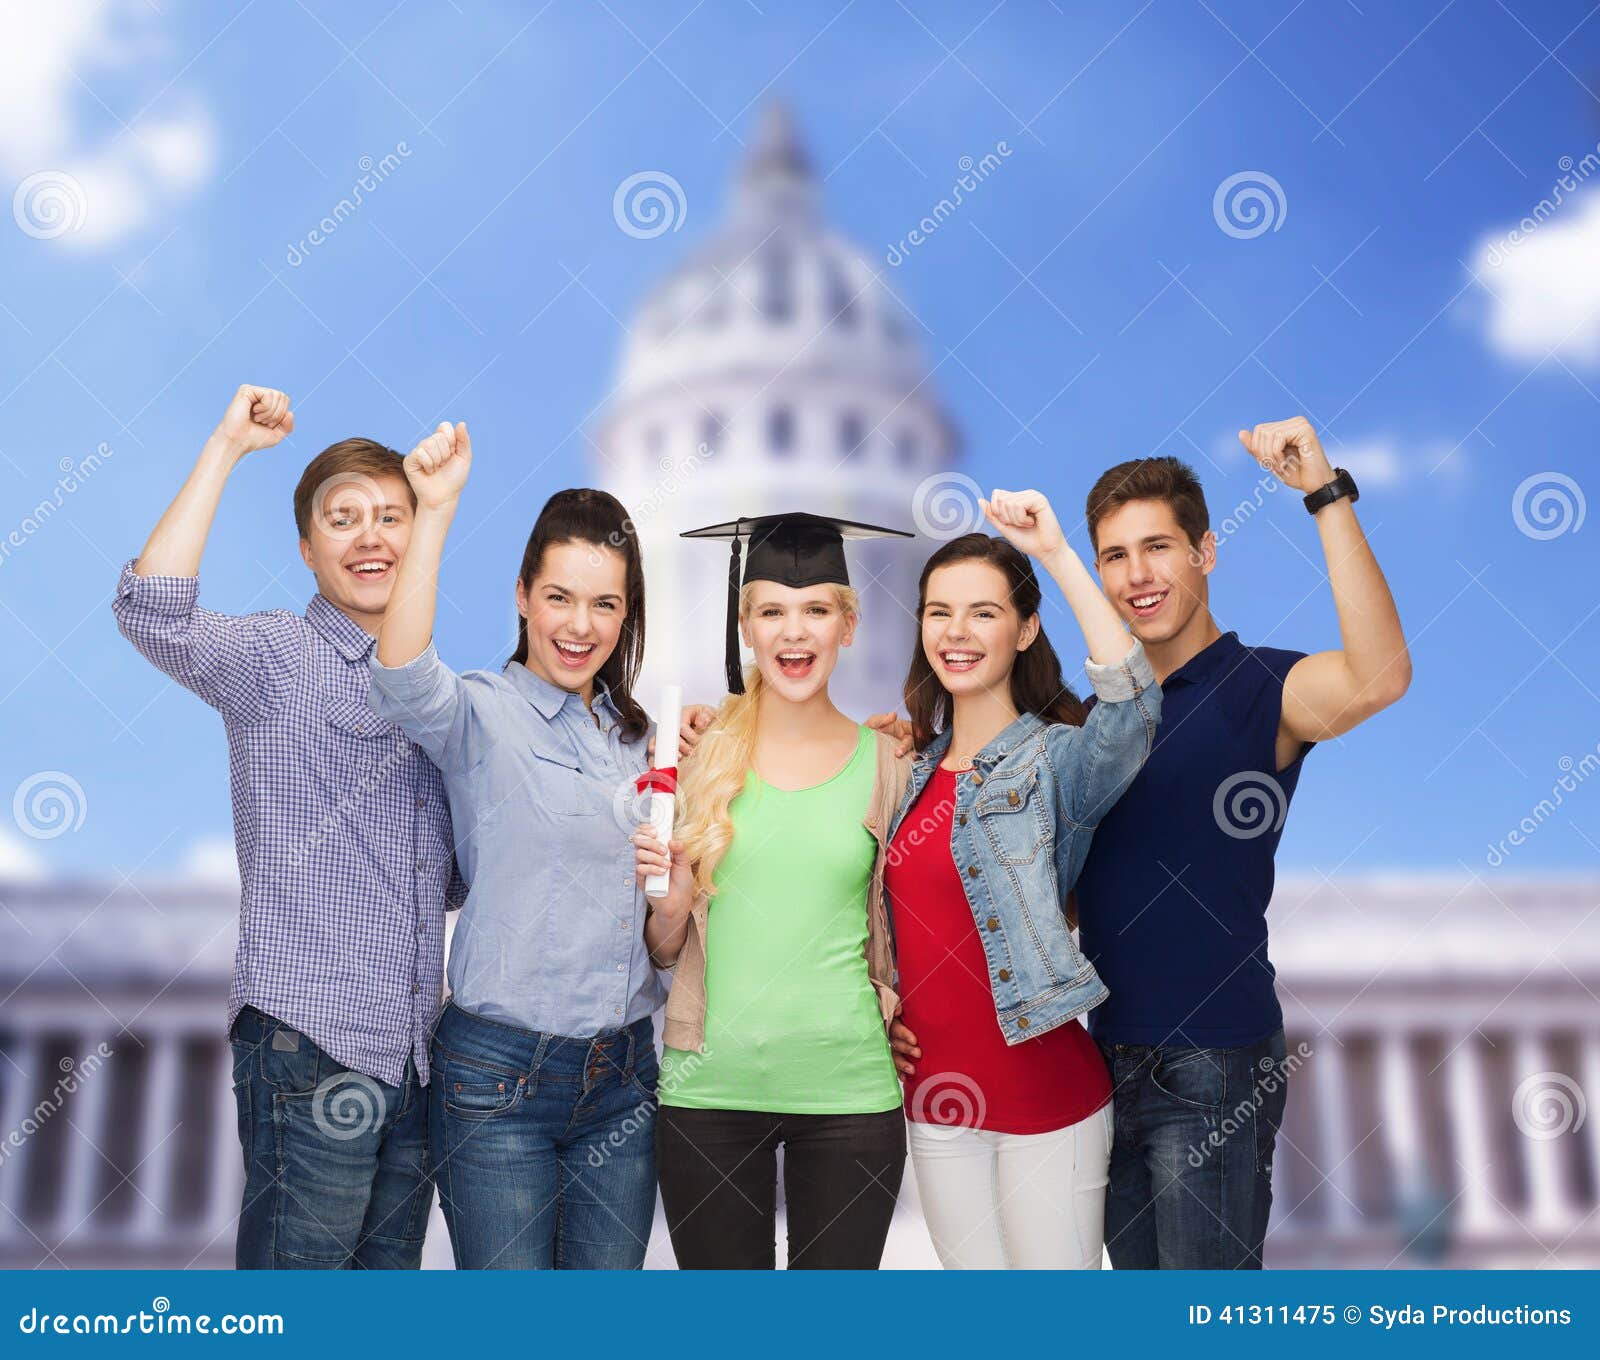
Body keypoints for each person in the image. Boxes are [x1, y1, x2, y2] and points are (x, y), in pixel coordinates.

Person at [970, 418, 1404, 1269]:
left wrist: (1325, 494)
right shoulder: (1092, 720)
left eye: (1158, 547)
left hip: (1214, 1062)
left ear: (1206, 551)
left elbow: (1380, 675)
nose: (1137, 575)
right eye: (1114, 556)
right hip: (1102, 1062)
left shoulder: (1262, 689)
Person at [113, 385, 460, 1269]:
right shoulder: (277, 657)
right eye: (343, 520)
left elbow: (455, 877)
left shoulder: (438, 698)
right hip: (311, 1048)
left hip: (413, 1064)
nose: (371, 537)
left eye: (391, 516)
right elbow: (153, 612)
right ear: (309, 550)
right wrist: (227, 446)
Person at [365, 421, 683, 1269]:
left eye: (605, 604)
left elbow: (662, 928)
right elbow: (399, 675)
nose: (581, 625)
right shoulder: (482, 714)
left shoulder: (641, 745)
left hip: (623, 1081)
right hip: (496, 1082)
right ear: (521, 596)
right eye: (559, 598)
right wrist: (434, 509)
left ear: (627, 613)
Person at [882, 490, 1160, 1269]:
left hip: (1048, 1099)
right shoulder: (903, 771)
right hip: (936, 1103)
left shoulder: (1056, 761)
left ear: (1026, 628)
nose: (957, 632)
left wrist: (1056, 554)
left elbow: (1134, 708)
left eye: (984, 613)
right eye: (939, 613)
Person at [633, 512, 915, 1269]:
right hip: (709, 1096)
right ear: (746, 627)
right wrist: (669, 903)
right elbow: (664, 951)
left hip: (850, 1096)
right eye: (772, 612)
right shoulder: (691, 759)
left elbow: (916, 916)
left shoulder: (892, 763)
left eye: (817, 609)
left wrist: (908, 1013)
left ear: (848, 625)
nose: (794, 633)